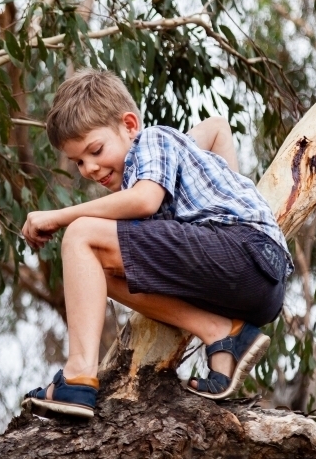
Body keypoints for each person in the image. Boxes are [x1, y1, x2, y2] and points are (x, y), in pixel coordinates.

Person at [21, 68, 291, 418]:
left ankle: (77, 377)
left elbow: (145, 199)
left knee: (80, 235)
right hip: (258, 288)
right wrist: (219, 176)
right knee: (103, 273)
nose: (88, 168)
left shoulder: (152, 140)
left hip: (242, 250)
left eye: (95, 150)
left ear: (130, 125)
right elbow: (217, 128)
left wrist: (60, 216)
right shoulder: (167, 156)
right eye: (78, 162)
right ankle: (223, 335)